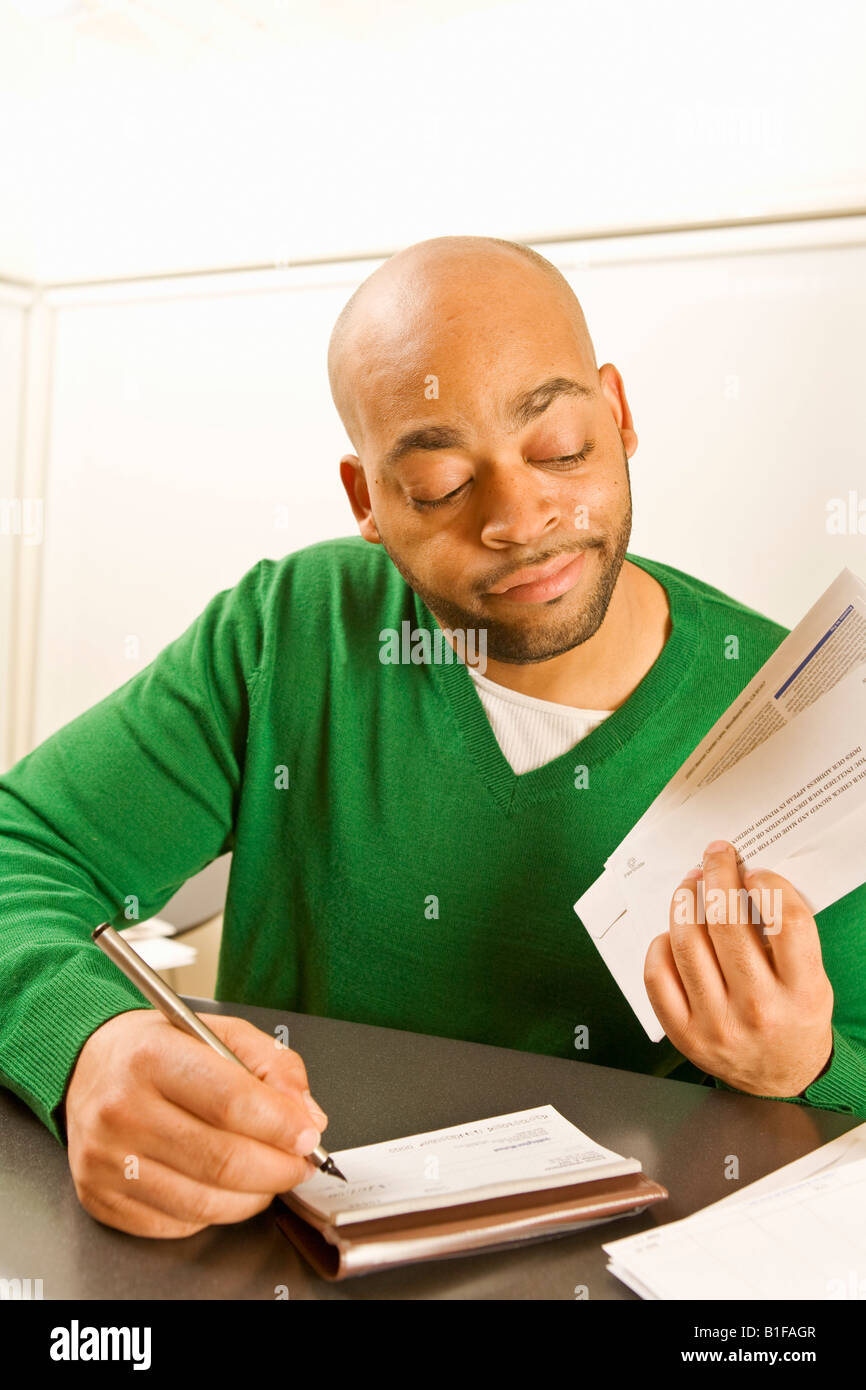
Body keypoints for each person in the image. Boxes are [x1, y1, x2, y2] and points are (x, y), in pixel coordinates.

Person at [1, 236, 862, 1241]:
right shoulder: (292, 629)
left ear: (620, 417)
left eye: (557, 449)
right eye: (442, 485)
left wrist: (806, 1067)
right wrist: (86, 1042)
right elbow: (23, 849)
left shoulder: (801, 719)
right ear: (365, 501)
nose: (518, 514)